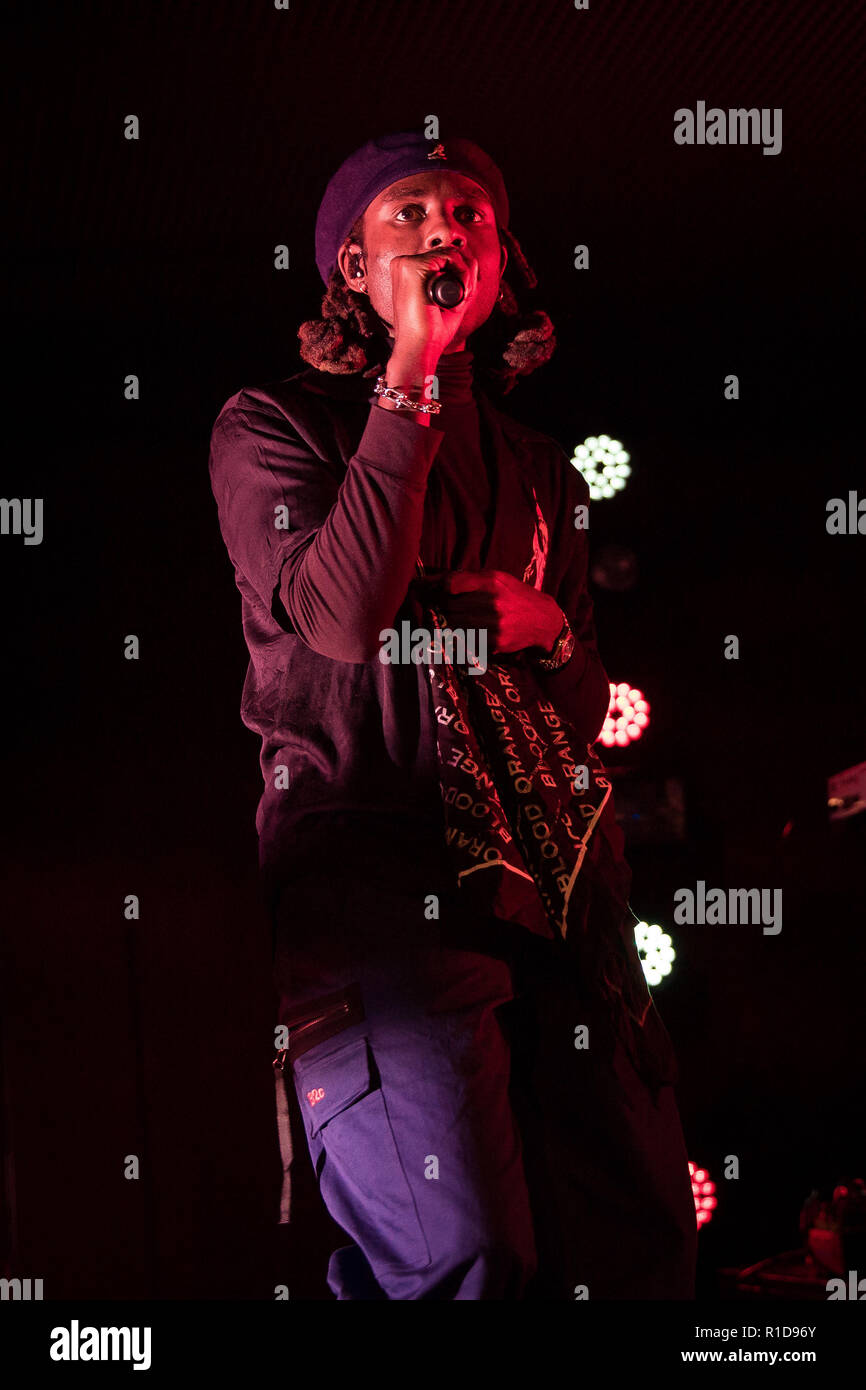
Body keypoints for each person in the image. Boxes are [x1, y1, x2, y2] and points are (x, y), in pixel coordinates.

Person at [208, 130, 697, 1300]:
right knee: (464, 1258)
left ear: (502, 260)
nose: (444, 229)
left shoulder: (540, 470)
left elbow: (575, 709)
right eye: (408, 213)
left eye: (469, 213)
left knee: (631, 1245)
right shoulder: (270, 429)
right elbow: (340, 617)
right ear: (351, 275)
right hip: (381, 881)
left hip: (556, 890)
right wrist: (411, 373)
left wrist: (553, 633)